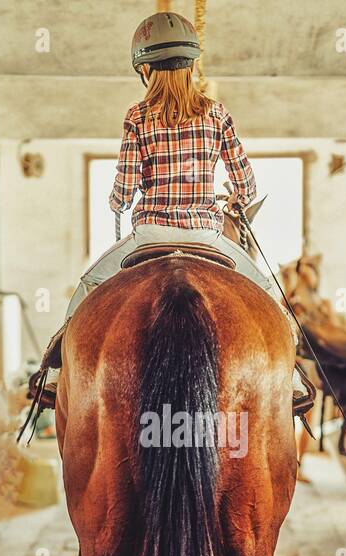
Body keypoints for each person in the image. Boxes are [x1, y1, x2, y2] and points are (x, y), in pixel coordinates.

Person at [64, 11, 274, 323]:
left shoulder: (137, 116)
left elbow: (124, 190)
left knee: (87, 285)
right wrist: (237, 199)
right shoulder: (217, 114)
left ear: (145, 69)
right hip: (205, 234)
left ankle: (57, 354)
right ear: (192, 65)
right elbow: (246, 185)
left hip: (151, 234)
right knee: (267, 293)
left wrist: (116, 201)